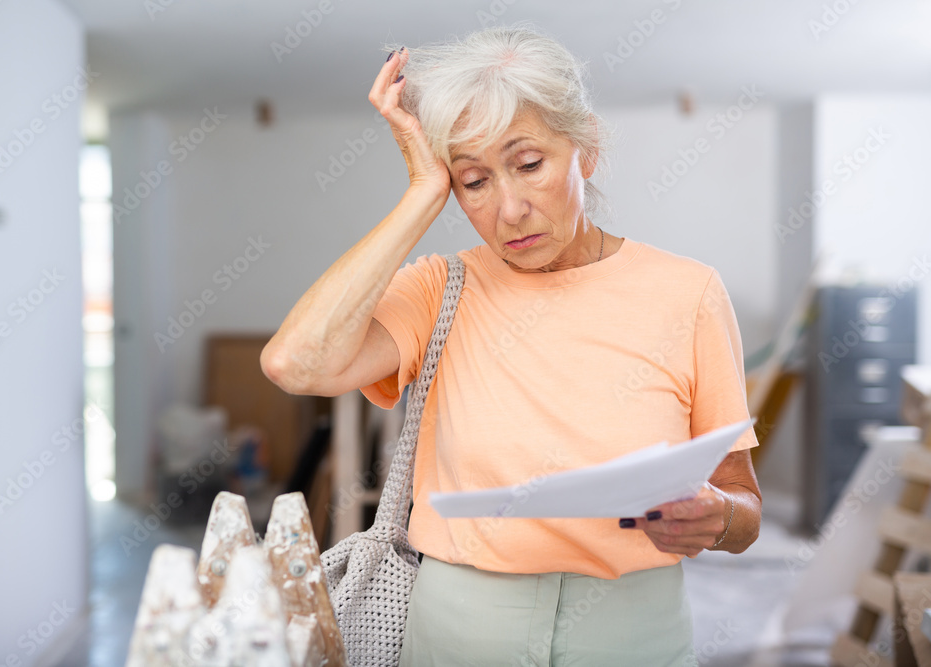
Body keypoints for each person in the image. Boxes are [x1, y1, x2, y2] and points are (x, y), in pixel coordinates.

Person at [261, 24, 761, 667]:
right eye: (473, 181)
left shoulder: (689, 294)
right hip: (458, 628)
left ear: (585, 149)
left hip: (635, 632)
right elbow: (293, 362)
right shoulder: (441, 287)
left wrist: (717, 515)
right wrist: (421, 193)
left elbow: (743, 506)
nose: (510, 209)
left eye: (529, 165)